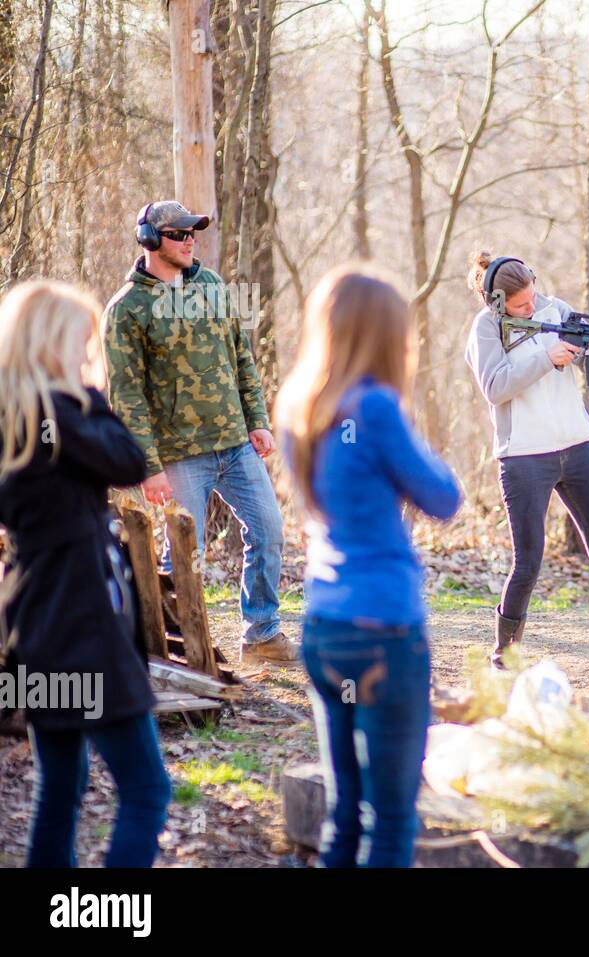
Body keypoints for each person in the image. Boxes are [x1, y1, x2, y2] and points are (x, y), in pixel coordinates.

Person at [275, 265, 461, 867]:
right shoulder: (377, 408)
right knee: (392, 817)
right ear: (386, 335)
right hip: (383, 628)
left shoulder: (300, 409)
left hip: (324, 627)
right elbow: (444, 498)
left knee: (345, 812)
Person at [0, 281, 172, 867]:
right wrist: (92, 398)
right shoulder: (58, 415)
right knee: (147, 790)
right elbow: (128, 460)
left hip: (33, 629)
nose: (86, 352)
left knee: (60, 789)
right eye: (80, 340)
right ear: (49, 343)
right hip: (81, 632)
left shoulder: (16, 419)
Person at [101, 200, 293, 663]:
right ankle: (181, 650)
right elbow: (127, 398)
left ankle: (262, 635)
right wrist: (148, 468)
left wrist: (257, 420)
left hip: (235, 444)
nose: (190, 241)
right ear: (150, 240)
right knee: (185, 556)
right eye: (179, 234)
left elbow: (240, 356)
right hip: (179, 454)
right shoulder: (127, 309)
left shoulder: (211, 285)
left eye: (193, 233)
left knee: (269, 531)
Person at [463, 251, 589, 680]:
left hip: (576, 447)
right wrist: (546, 358)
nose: (531, 307)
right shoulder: (485, 329)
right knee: (528, 562)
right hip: (523, 457)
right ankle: (504, 662)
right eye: (520, 306)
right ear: (497, 302)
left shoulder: (556, 310)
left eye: (532, 297)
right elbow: (495, 387)